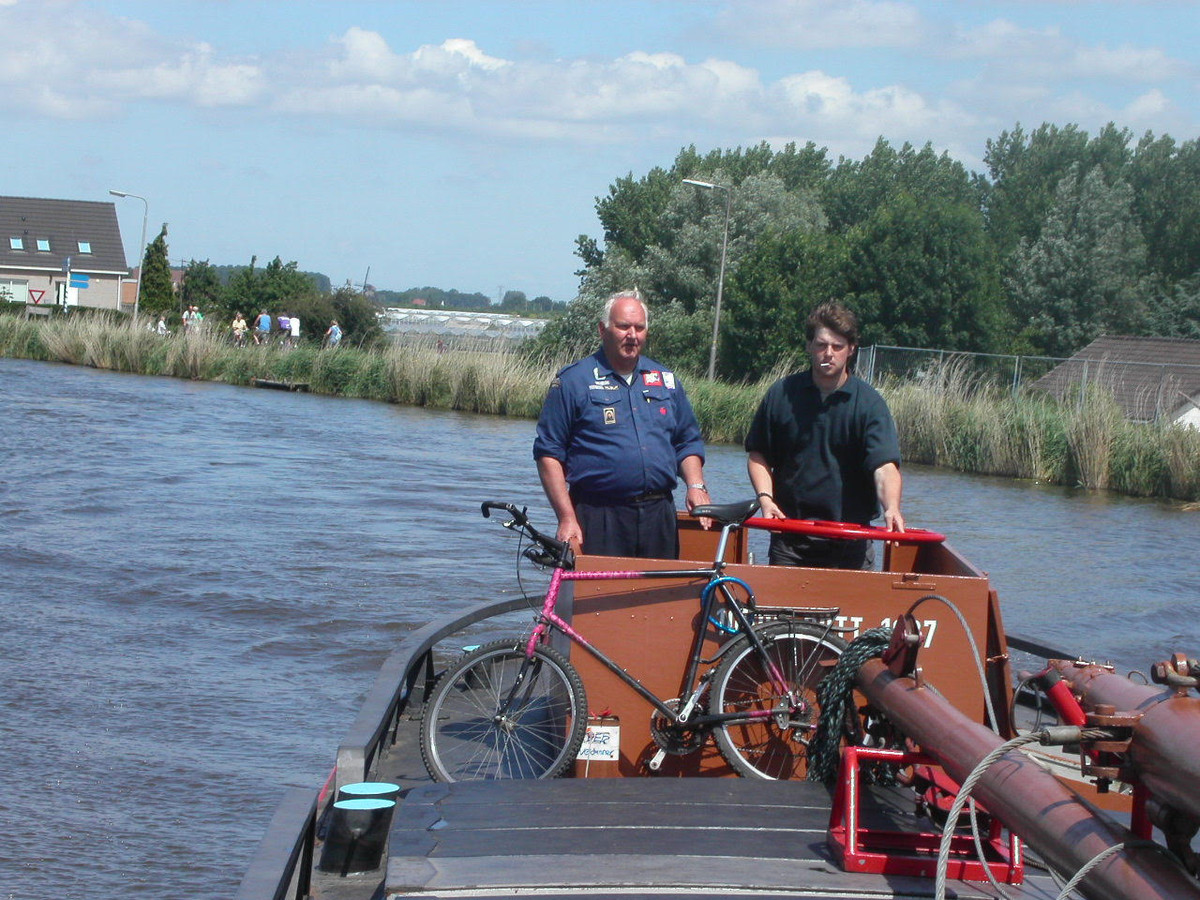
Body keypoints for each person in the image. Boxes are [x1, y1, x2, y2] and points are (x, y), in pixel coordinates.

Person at [533, 290, 710, 559]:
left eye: (639, 328)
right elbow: (549, 454)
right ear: (603, 330)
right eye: (623, 326)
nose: (632, 335)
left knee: (658, 599)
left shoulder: (665, 380)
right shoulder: (573, 381)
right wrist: (566, 517)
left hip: (658, 514)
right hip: (599, 516)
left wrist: (696, 486)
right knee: (600, 598)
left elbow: (686, 441)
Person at [745, 301, 904, 570]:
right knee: (784, 613)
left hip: (850, 541)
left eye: (837, 347)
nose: (828, 353)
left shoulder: (869, 404)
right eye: (821, 345)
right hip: (789, 540)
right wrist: (765, 499)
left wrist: (891, 507)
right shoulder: (782, 394)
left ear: (851, 350)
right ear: (809, 346)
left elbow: (884, 466)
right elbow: (758, 454)